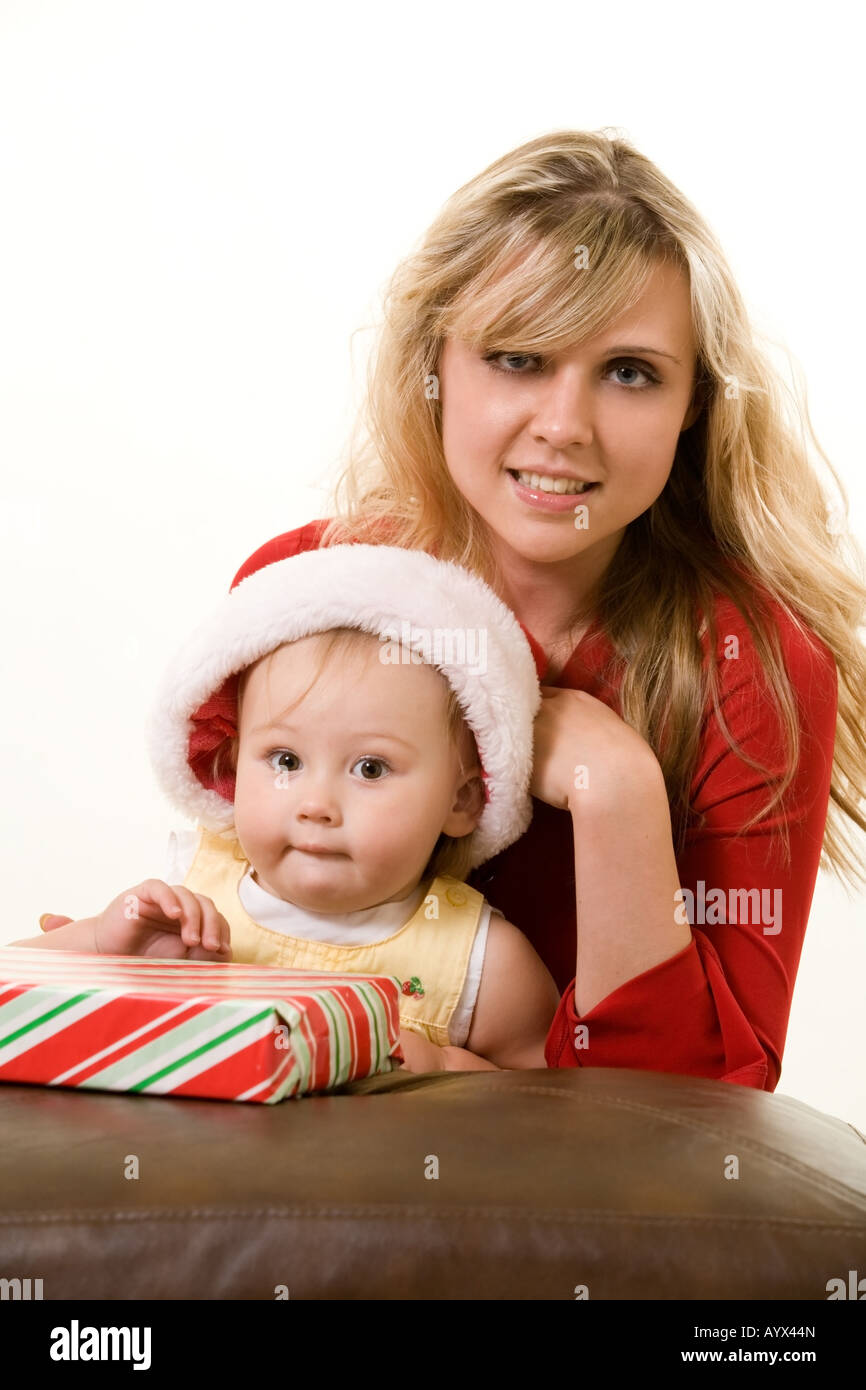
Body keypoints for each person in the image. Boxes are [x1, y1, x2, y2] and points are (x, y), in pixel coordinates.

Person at [38, 129, 866, 1090]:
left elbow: (700, 1112)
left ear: (694, 404)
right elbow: (244, 906)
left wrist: (620, 799)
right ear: (437, 362)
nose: (564, 426)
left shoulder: (751, 664)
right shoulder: (311, 589)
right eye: (517, 358)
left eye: (631, 371)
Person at [11, 544, 562, 1073]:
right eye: (285, 760)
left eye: (370, 768)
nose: (316, 805)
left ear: (462, 800)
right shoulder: (191, 899)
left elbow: (552, 1103)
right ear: (232, 765)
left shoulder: (481, 964)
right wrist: (105, 945)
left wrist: (443, 1064)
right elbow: (19, 980)